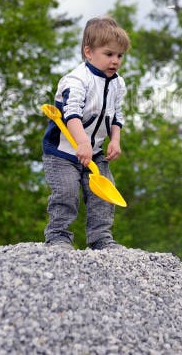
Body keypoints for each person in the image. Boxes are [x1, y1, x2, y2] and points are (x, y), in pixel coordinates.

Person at [42, 15, 130, 250]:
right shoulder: (76, 80)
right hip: (63, 152)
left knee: (103, 194)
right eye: (109, 54)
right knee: (67, 192)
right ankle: (58, 237)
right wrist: (82, 143)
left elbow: (117, 114)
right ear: (89, 52)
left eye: (119, 56)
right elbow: (71, 114)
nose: (115, 61)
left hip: (96, 152)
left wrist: (116, 140)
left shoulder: (118, 84)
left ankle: (100, 239)